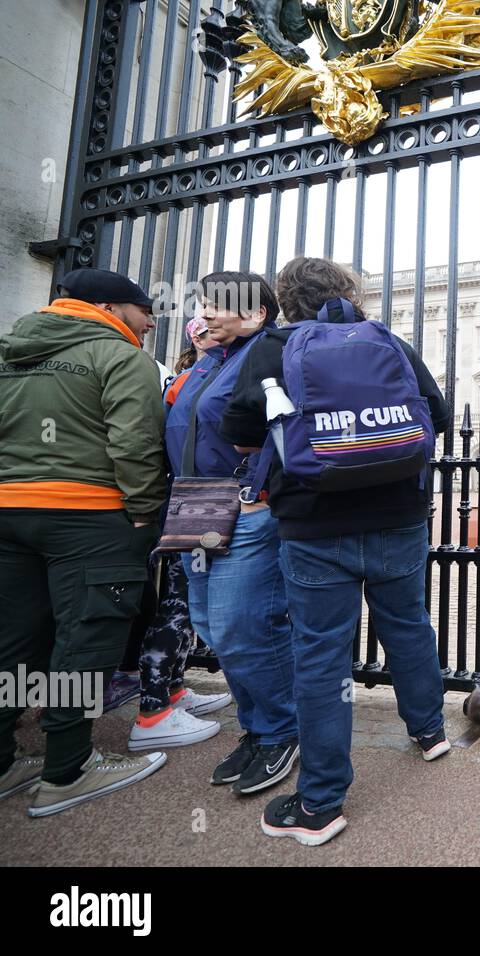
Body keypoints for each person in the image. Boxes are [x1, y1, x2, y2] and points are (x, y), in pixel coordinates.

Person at [220, 256, 453, 846]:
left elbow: (239, 430)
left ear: (285, 300)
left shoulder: (273, 348)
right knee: (408, 625)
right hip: (399, 517)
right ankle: (430, 731)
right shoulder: (386, 340)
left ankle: (321, 804)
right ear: (348, 293)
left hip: (313, 525)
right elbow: (439, 417)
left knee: (321, 658)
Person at [0, 267, 168, 816]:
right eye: (146, 312)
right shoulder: (120, 357)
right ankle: (67, 769)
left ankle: (4, 760)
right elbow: (136, 443)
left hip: (9, 513)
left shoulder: (10, 349)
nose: (148, 324)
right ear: (114, 307)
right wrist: (144, 514)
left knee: (15, 638)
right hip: (88, 517)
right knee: (85, 639)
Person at [157, 272, 299, 789]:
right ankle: (259, 728)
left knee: (246, 627)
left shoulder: (268, 354)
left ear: (259, 313)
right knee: (212, 626)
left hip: (244, 507)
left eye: (219, 305)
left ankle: (282, 730)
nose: (207, 313)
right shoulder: (207, 362)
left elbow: (284, 430)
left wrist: (256, 485)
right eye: (203, 304)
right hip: (194, 505)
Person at [106, 316, 225, 716]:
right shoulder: (197, 380)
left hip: (184, 498)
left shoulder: (182, 381)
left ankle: (171, 689)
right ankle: (154, 706)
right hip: (203, 500)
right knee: (179, 604)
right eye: (208, 331)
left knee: (182, 603)